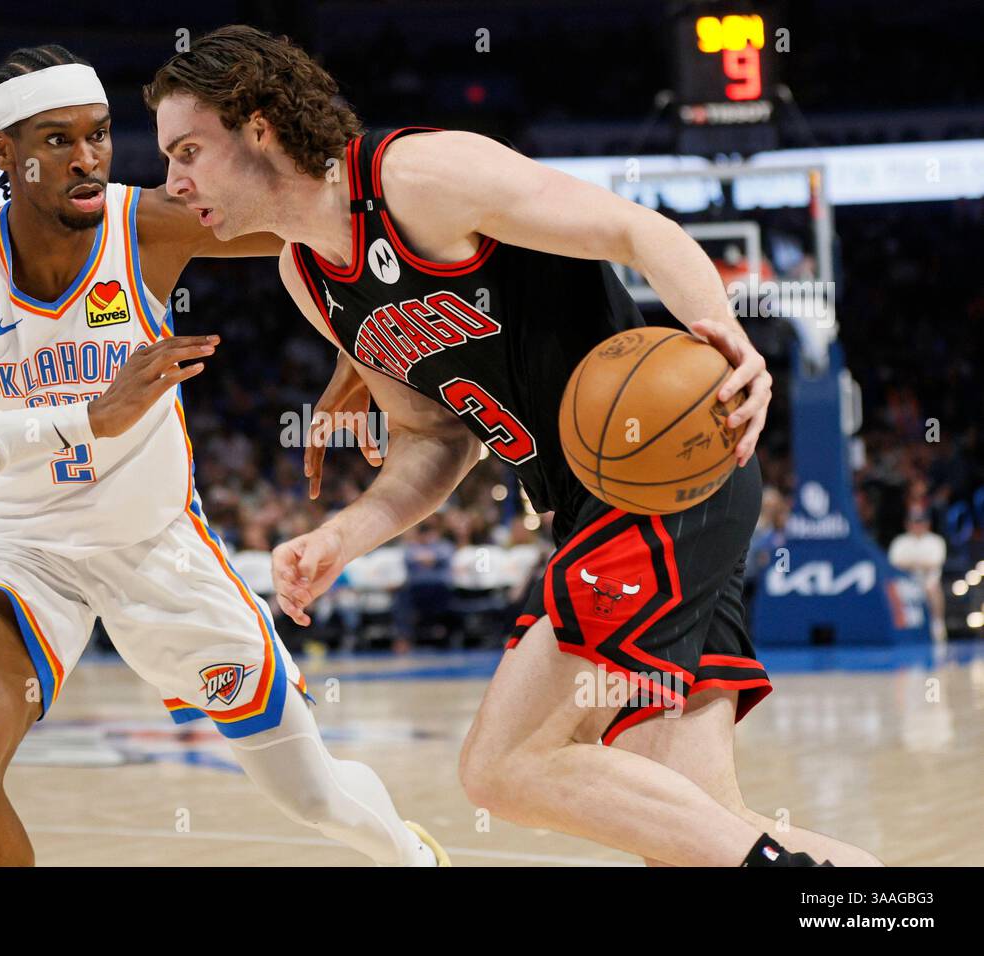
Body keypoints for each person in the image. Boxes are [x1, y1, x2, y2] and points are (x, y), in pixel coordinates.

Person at [144, 24, 882, 866]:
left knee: (502, 768)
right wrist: (341, 537)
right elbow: (434, 440)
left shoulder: (417, 177)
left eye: (190, 149)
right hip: (599, 511)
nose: (174, 180)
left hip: (657, 482)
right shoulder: (306, 275)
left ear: (260, 124)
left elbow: (635, 231)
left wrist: (728, 340)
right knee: (694, 830)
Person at [0, 44, 444, 867]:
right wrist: (82, 419)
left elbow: (325, 218)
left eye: (97, 135)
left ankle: (413, 857)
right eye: (56, 141)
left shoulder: (148, 224)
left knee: (312, 795)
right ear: (3, 153)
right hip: (23, 553)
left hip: (160, 546)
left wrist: (361, 330)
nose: (87, 158)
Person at [888, 507, 948, 642]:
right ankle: (897, 630)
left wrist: (911, 564)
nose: (917, 525)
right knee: (891, 589)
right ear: (907, 524)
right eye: (914, 522)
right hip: (904, 582)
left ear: (928, 523)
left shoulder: (936, 541)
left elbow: (934, 563)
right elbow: (893, 564)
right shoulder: (900, 542)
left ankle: (937, 625)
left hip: (928, 582)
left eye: (921, 522)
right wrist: (918, 564)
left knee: (933, 588)